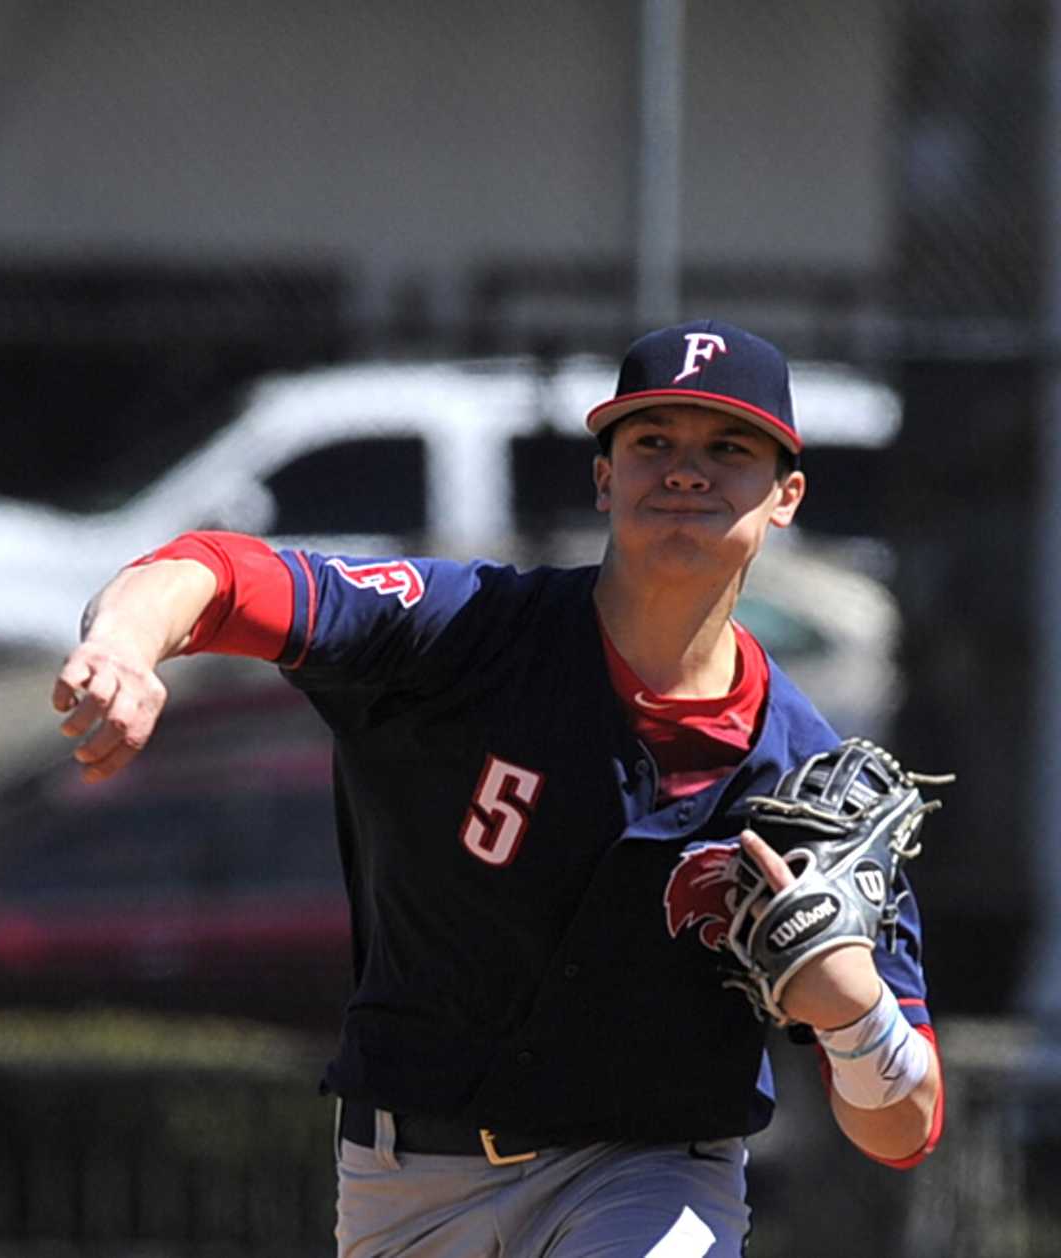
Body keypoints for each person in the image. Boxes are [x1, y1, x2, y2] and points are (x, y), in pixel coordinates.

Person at [50, 320, 942, 1257]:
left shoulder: (802, 774)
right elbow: (222, 571)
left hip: (646, 1175)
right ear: (605, 477)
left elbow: (908, 1125)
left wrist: (854, 1017)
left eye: (728, 447)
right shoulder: (469, 634)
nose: (687, 470)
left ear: (786, 495)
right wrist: (122, 644)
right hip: (409, 1176)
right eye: (653, 443)